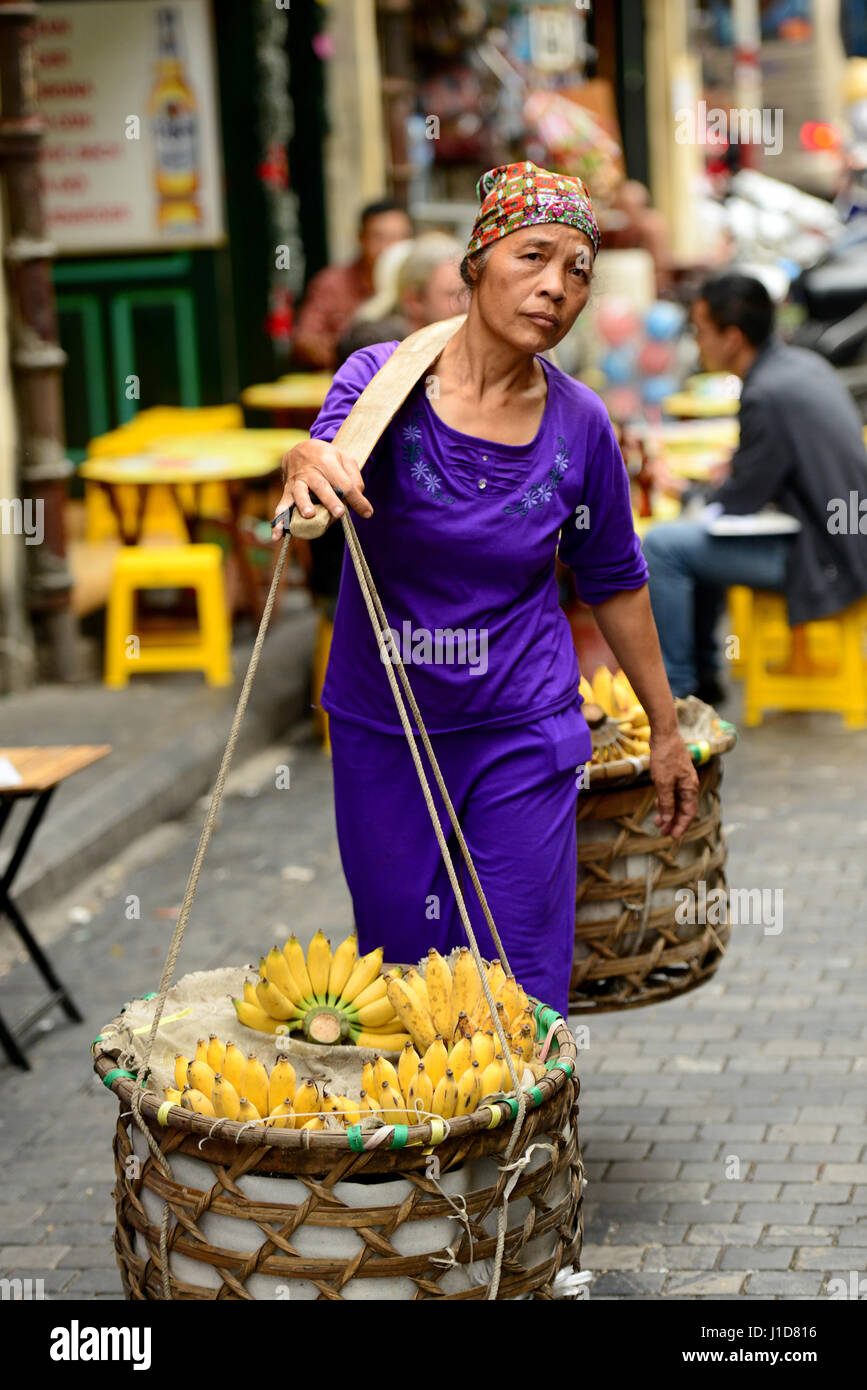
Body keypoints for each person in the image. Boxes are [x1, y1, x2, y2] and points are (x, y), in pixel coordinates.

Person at [273, 161, 697, 1016]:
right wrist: (300, 462)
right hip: (385, 729)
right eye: (532, 257)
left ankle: (530, 1151)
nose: (555, 287)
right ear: (475, 265)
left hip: (521, 728)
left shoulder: (580, 423)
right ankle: (438, 1151)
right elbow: (318, 474)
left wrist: (664, 727)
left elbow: (614, 579)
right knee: (404, 984)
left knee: (521, 980)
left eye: (577, 271)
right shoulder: (379, 383)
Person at [643, 272, 867, 702]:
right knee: (694, 540)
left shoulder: (766, 393)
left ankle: (679, 695)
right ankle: (704, 672)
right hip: (844, 537)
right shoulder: (800, 364)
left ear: (732, 337)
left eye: (701, 331)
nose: (698, 342)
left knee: (664, 547)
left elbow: (740, 500)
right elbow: (769, 469)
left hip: (825, 559)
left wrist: (688, 493)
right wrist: (733, 475)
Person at [292, 199, 414, 370]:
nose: (391, 248)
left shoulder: (420, 286)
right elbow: (304, 342)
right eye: (380, 237)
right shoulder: (332, 283)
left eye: (400, 238)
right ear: (361, 238)